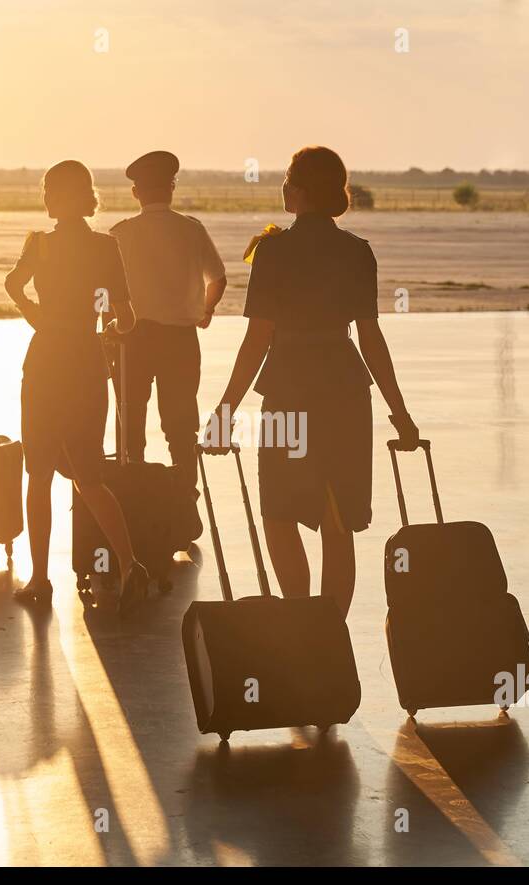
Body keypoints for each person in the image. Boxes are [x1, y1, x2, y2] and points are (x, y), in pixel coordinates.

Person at [208, 146, 419, 617]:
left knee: (279, 511)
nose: (282, 186)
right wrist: (399, 414)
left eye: (287, 179)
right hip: (345, 391)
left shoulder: (274, 251)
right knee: (337, 518)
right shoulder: (357, 251)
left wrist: (225, 411)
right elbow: (371, 338)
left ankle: (301, 619)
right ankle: (330, 631)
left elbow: (256, 339)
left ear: (298, 191)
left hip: (287, 390)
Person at [4, 160, 149, 613]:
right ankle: (129, 563)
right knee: (89, 475)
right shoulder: (106, 247)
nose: (45, 199)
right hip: (87, 362)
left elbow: (12, 284)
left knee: (39, 474)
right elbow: (125, 316)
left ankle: (40, 577)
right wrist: (107, 323)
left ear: (59, 197)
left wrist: (35, 314)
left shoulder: (40, 246)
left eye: (49, 191)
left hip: (46, 360)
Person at [110, 150, 227, 541]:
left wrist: (110, 323)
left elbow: (106, 291)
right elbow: (218, 278)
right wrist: (205, 312)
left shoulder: (121, 233)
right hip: (180, 338)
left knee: (132, 423)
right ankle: (183, 508)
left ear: (135, 192)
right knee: (180, 426)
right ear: (171, 188)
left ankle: (133, 504)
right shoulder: (191, 229)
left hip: (133, 338)